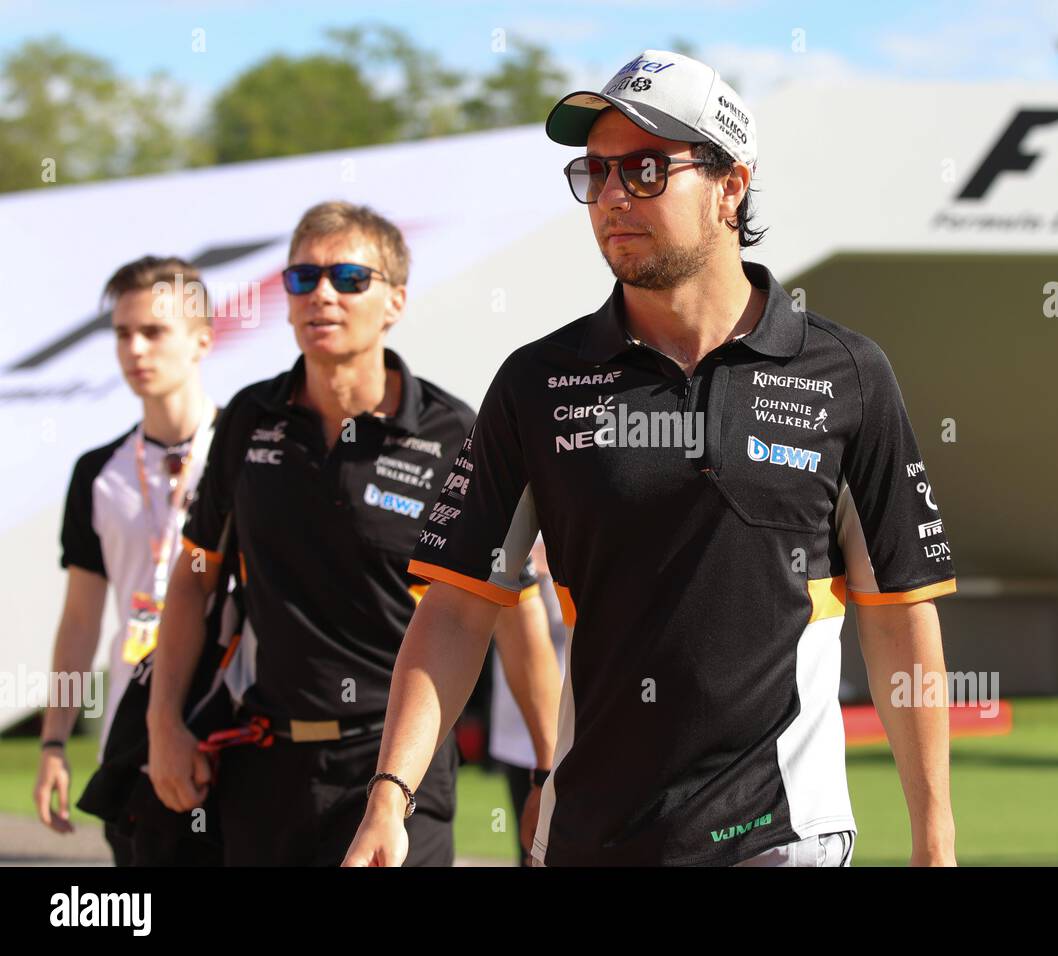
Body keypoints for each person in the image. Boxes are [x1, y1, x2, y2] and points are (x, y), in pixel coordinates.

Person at [346, 50, 959, 868]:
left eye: (642, 169)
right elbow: (457, 608)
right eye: (594, 172)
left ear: (730, 185)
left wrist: (936, 838)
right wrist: (391, 795)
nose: (610, 197)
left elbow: (899, 612)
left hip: (780, 838)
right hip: (587, 838)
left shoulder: (846, 374)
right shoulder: (538, 382)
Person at [146, 201, 559, 866]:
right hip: (265, 766)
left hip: (401, 767)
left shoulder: (455, 434)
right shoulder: (251, 419)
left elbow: (515, 616)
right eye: (303, 279)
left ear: (395, 301)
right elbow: (193, 582)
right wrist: (162, 721)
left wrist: (547, 769)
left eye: (348, 278)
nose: (323, 296)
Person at [34, 256, 221, 865]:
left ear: (201, 340)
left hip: (231, 734)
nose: (135, 348)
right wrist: (55, 742)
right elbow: (80, 621)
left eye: (154, 331)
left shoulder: (251, 451)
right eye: (122, 333)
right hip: (132, 740)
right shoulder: (98, 472)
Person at [487, 538, 567, 866]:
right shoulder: (516, 520)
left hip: (576, 722)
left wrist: (554, 570)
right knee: (531, 846)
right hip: (518, 727)